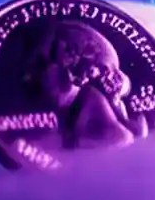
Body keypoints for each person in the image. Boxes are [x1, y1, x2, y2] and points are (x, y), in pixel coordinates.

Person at [22, 20, 147, 150]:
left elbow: (120, 137)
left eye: (100, 71)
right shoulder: (53, 74)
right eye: (99, 68)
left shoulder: (91, 97)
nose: (95, 74)